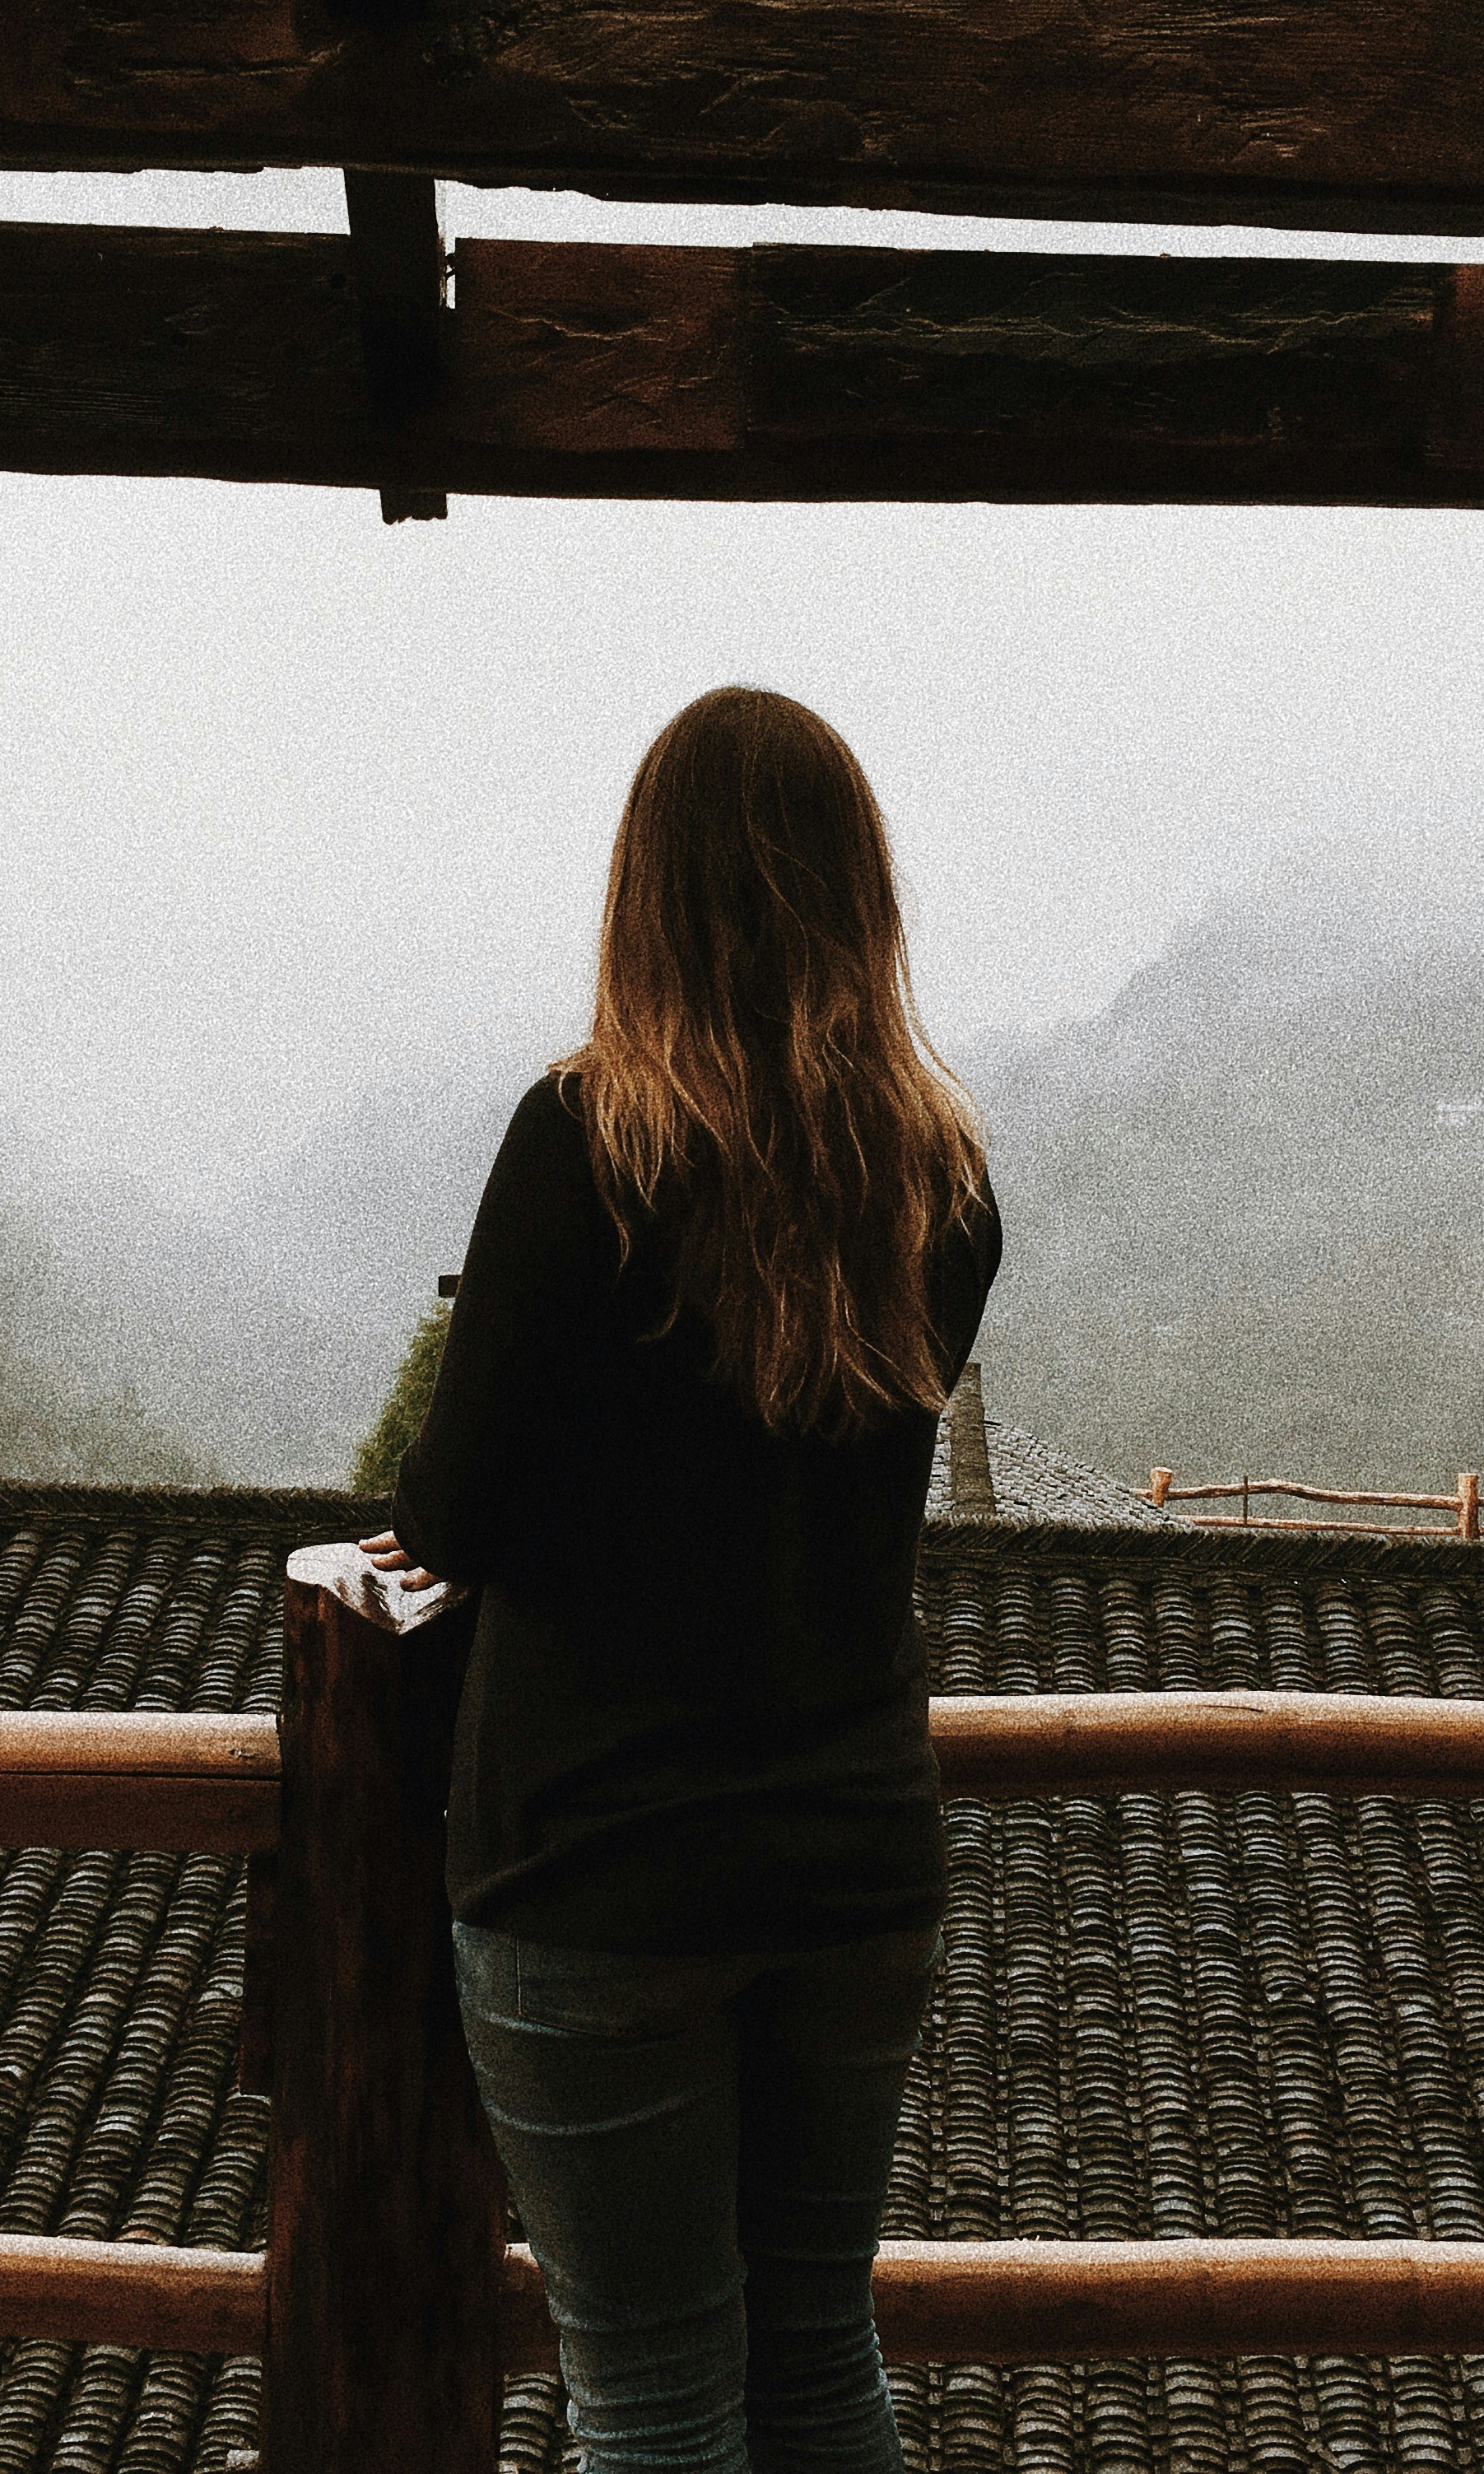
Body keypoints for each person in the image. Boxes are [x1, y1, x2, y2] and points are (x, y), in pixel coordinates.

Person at [361, 685, 1003, 2474]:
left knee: (648, 2392)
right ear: (859, 899)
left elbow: (456, 1507)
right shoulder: (941, 1185)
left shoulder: (587, 1145)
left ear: (645, 892)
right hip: (854, 1859)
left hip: (600, 1862)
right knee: (817, 2360)